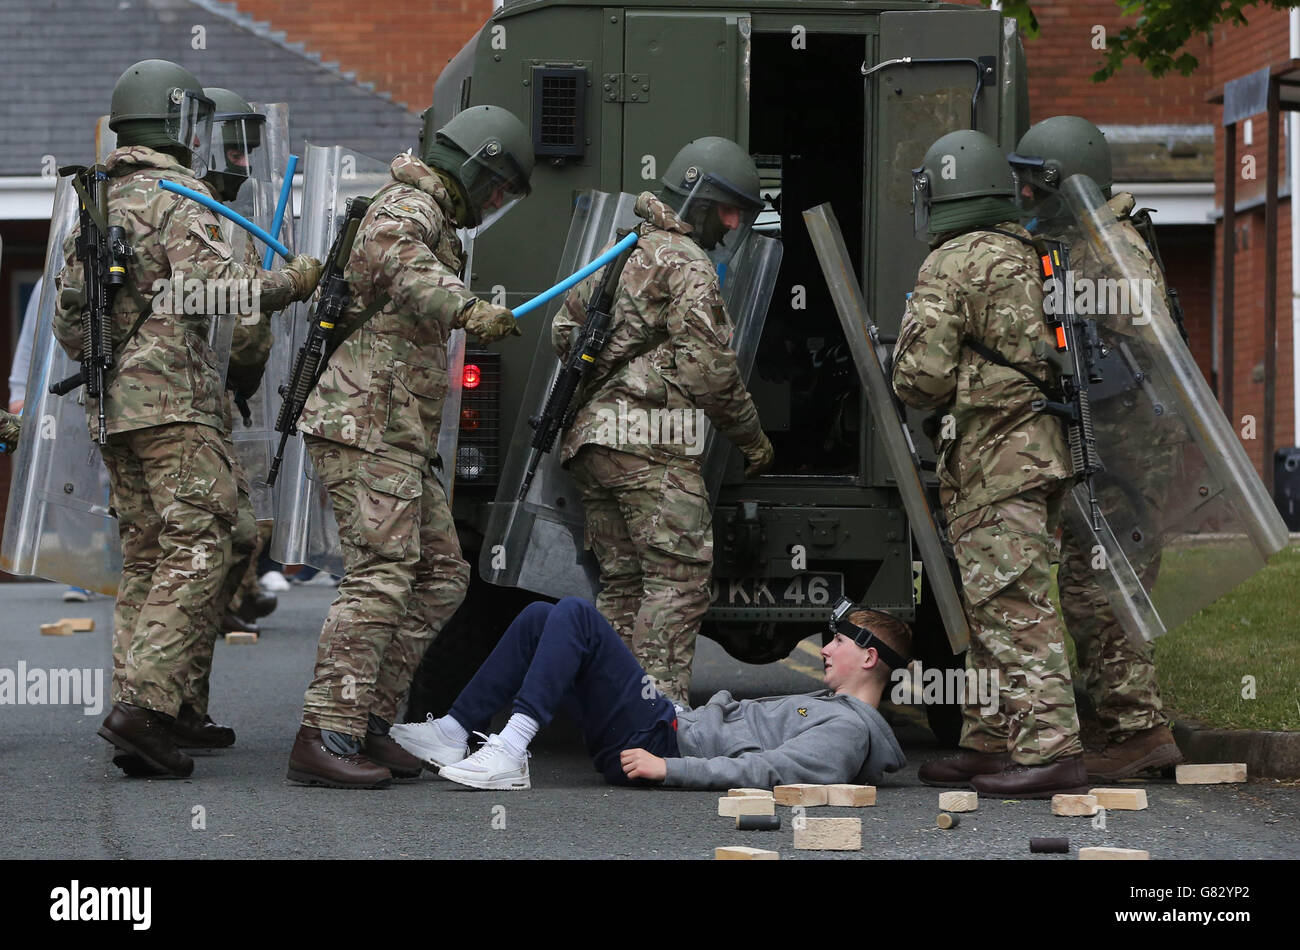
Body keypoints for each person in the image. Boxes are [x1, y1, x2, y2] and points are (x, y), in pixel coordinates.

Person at [53, 59, 322, 778]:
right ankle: (144, 708)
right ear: (175, 119)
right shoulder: (180, 194)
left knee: (149, 553)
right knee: (201, 543)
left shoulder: (97, 196)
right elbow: (215, 291)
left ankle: (162, 712)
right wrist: (291, 281)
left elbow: (69, 323)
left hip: (115, 409)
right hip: (175, 405)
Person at [285, 104, 534, 789]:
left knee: (443, 574)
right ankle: (324, 733)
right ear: (478, 166)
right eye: (499, 188)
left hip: (396, 431)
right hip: (364, 424)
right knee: (382, 573)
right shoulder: (408, 205)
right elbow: (402, 267)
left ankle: (366, 717)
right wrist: (469, 307)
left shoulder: (433, 217)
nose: (496, 203)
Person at [892, 129, 1088, 798]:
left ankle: (1051, 750)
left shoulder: (952, 263)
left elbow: (920, 379)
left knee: (1011, 606)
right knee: (992, 606)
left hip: (992, 462)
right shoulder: (1034, 254)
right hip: (1040, 455)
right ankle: (989, 738)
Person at [552, 136, 775, 707]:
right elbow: (710, 372)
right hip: (649, 444)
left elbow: (562, 331)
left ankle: (613, 712)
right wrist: (753, 439)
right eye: (727, 208)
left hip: (590, 444)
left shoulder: (624, 247)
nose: (731, 224)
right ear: (699, 198)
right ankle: (655, 715)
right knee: (675, 581)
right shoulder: (689, 263)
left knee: (623, 585)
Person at [1009, 115, 1184, 780]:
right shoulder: (1084, 243)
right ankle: (1130, 725)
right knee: (1091, 581)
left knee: (1101, 586)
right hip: (1114, 444)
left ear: (1062, 182)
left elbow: (1151, 337)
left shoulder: (1108, 249)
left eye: (1033, 186)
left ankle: (1138, 730)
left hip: (1130, 447)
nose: (1025, 199)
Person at [390, 597, 906, 790]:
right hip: (667, 721)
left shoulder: (847, 730)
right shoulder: (836, 710)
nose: (824, 651)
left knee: (577, 616)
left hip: (663, 742)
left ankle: (510, 750)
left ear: (869, 658)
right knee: (540, 619)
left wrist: (670, 769)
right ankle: (454, 733)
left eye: (836, 642)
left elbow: (770, 773)